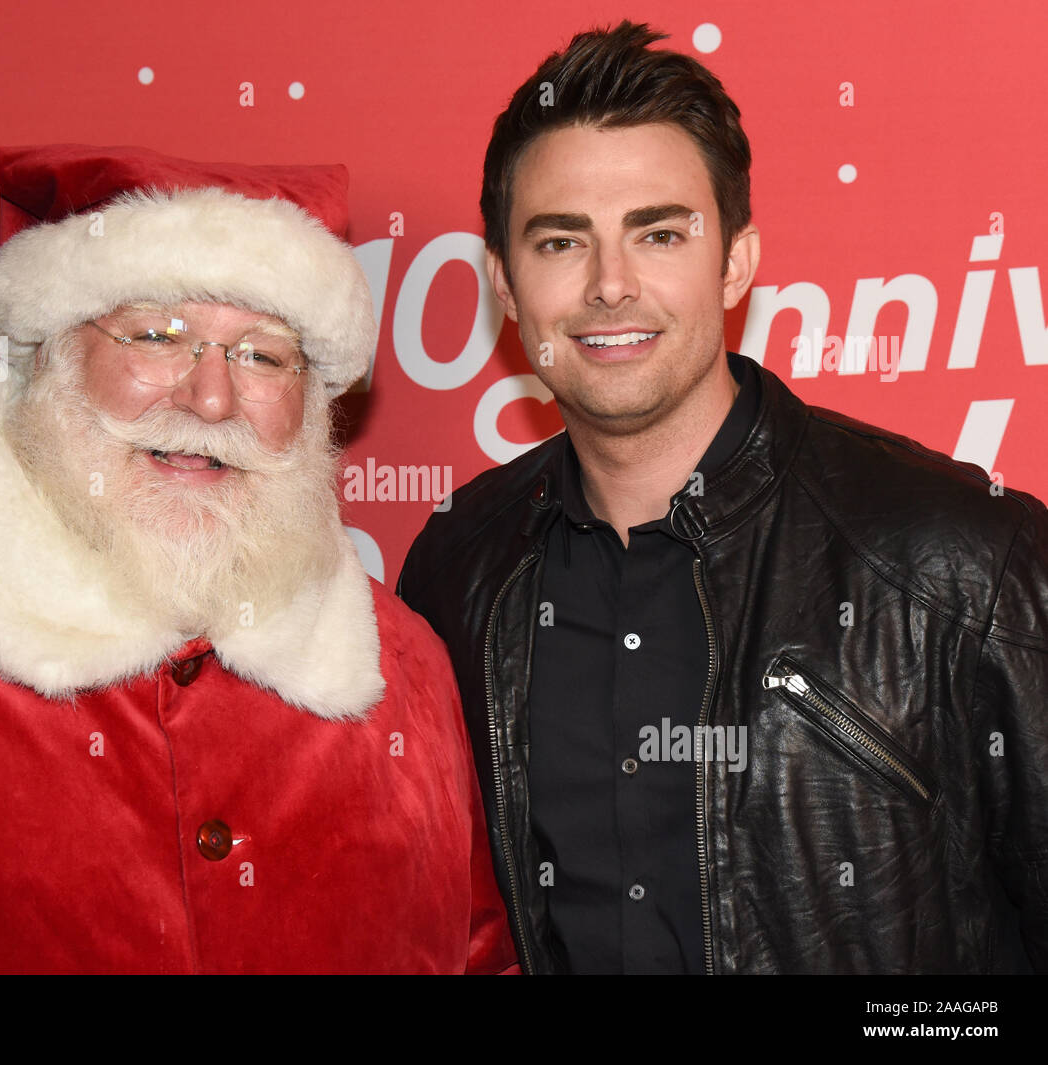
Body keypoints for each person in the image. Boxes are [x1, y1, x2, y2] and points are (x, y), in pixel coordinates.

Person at [0, 144, 516, 975]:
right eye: (157, 336)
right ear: (48, 353)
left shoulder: (403, 669)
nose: (211, 398)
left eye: (261, 354)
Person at [398, 22, 1048, 974]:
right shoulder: (458, 571)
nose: (609, 286)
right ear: (505, 282)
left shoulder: (960, 560)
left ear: (736, 261)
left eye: (658, 234)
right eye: (560, 241)